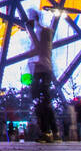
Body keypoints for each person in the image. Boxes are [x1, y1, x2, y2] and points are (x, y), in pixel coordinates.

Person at [24, 11, 58, 143]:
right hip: (42, 70)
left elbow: (37, 49)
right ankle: (52, 131)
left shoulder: (43, 33)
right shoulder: (43, 33)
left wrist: (30, 26)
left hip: (42, 69)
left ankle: (47, 131)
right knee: (43, 100)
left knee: (40, 100)